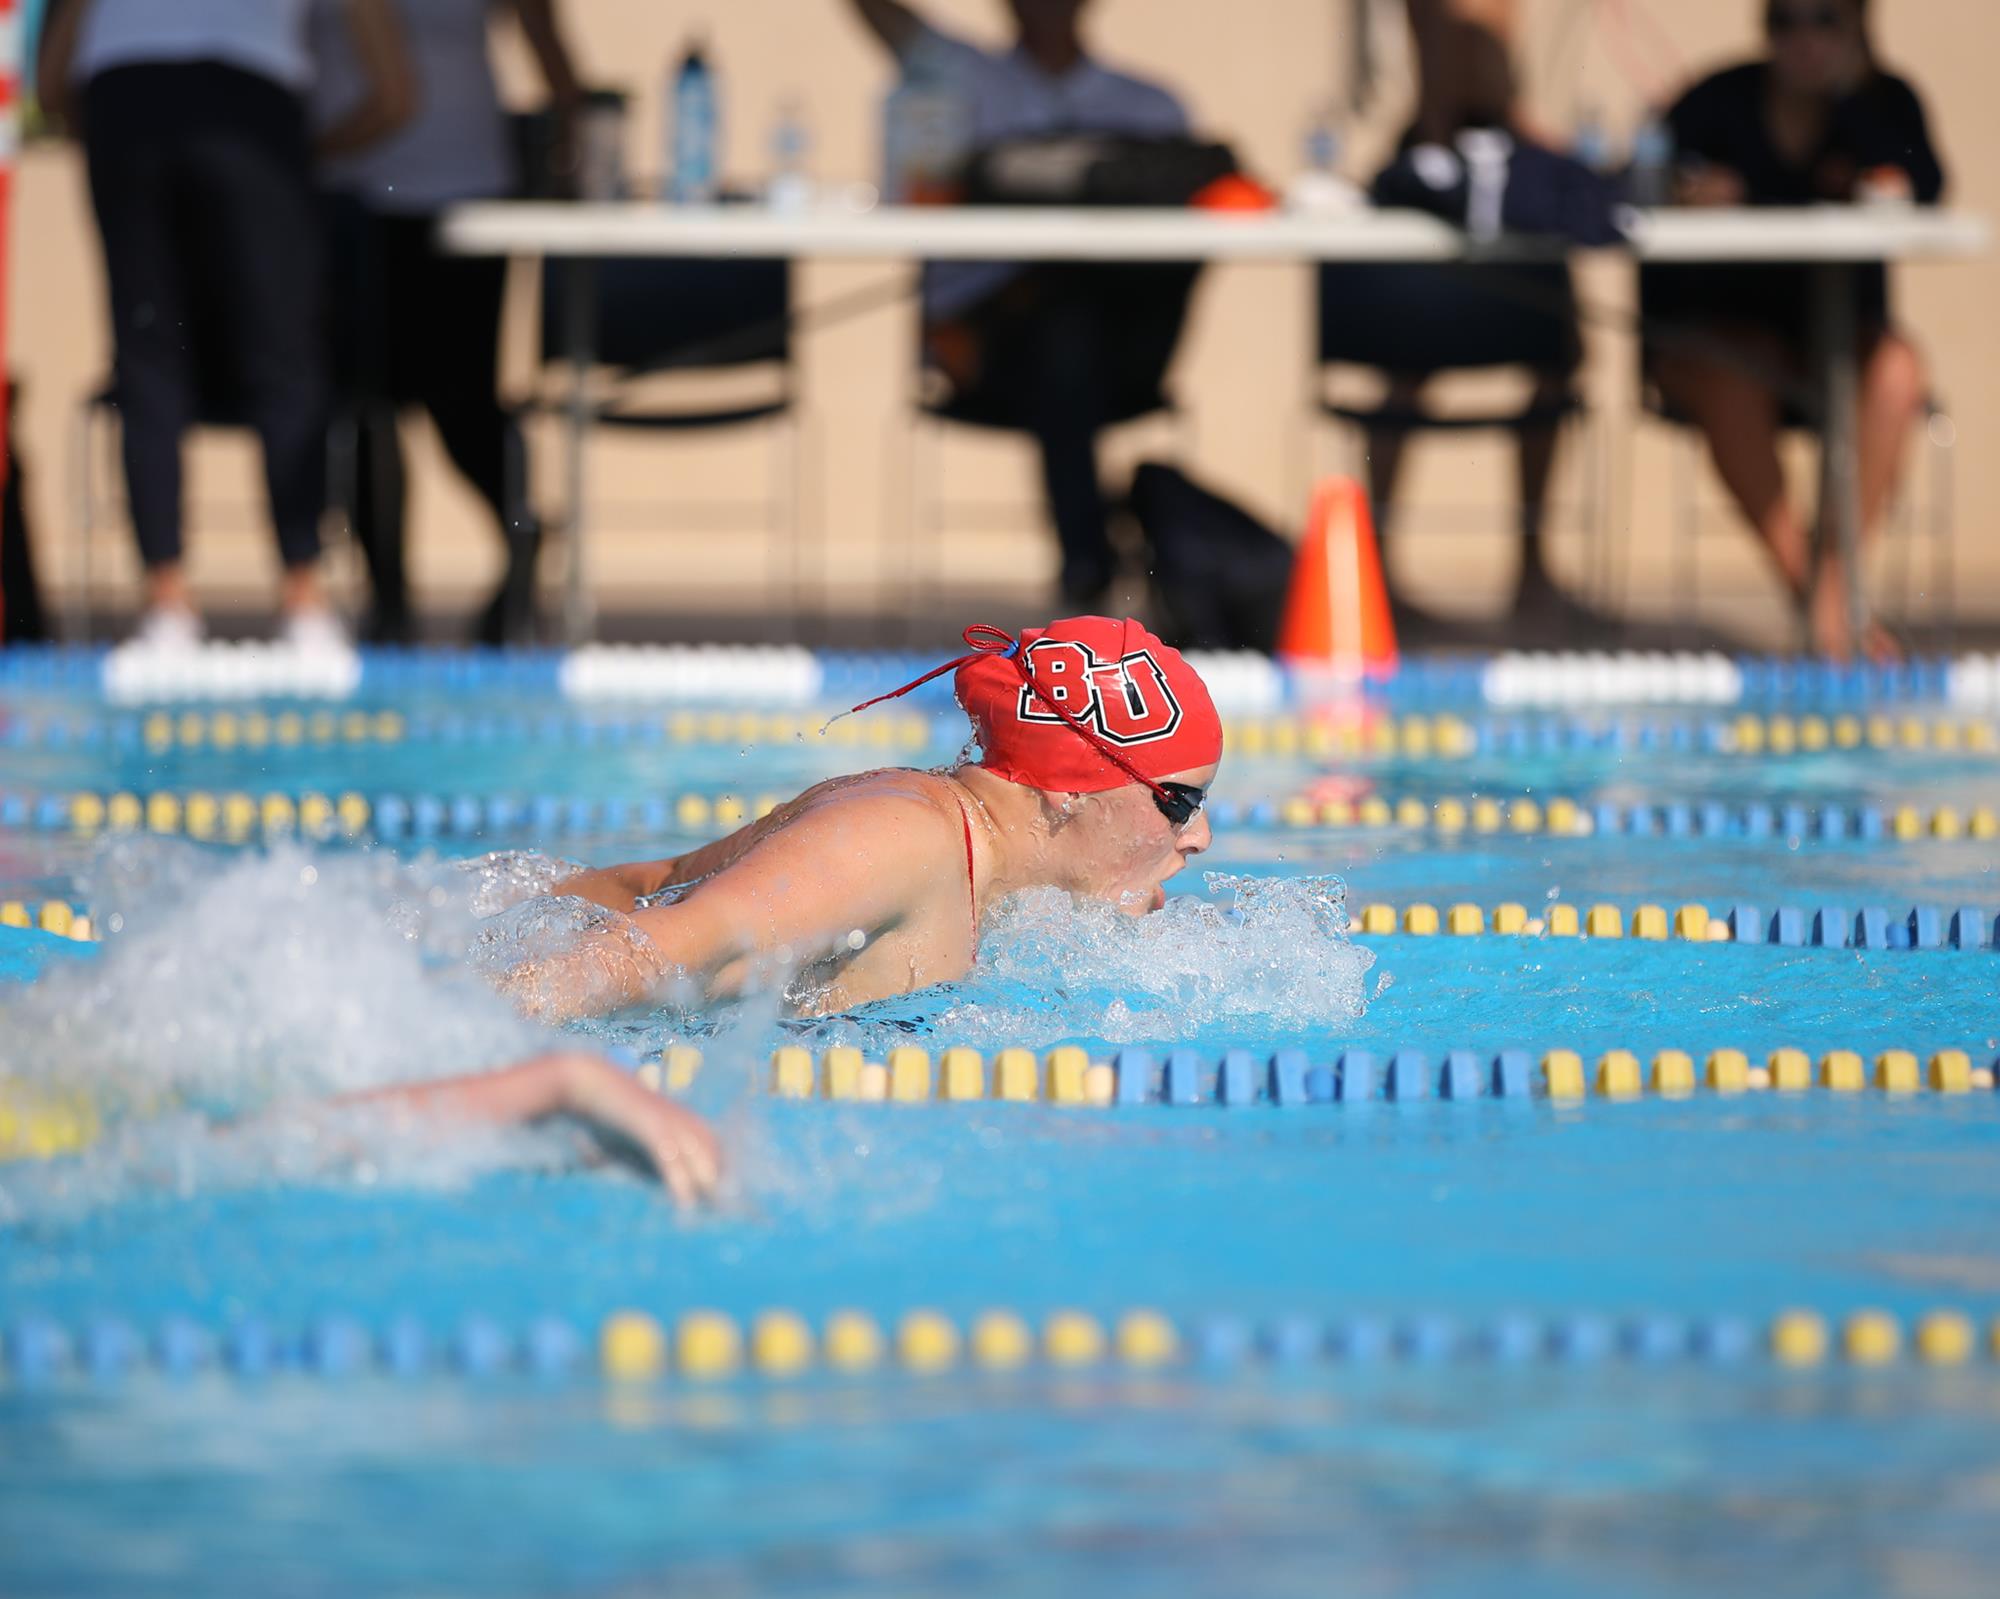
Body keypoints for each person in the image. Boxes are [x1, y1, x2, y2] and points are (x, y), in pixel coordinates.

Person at [490, 616, 1220, 1021]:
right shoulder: (900, 839)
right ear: (1072, 786)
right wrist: (435, 1041)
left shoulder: (982, 867)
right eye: (1179, 802)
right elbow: (652, 953)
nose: (1199, 836)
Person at [36, 0, 413, 651]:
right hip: (251, 103)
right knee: (285, 353)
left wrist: (98, 126)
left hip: (125, 99)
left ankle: (166, 601)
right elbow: (393, 89)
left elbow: (51, 82)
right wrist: (307, 153)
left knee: (149, 349)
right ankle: (303, 596)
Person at [843, 0, 1201, 607]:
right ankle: (1090, 566)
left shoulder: (1152, 106)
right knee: (1062, 334)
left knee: (1077, 324)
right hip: (987, 347)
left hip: (1126, 348)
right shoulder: (957, 76)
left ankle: (1105, 558)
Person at [1643, 0, 1940, 662]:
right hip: (1724, 337)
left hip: (1834, 341)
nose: (1802, 38)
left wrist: (1856, 99)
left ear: (1860, 28)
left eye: (1824, 19)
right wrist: (1688, 190)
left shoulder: (1883, 105)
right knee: (1735, 365)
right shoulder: (1717, 99)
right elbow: (1641, 179)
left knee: (1897, 371)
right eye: (1785, 19)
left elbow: (1926, 184)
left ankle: (1832, 587)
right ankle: (1824, 597)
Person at [309, 0, 582, 645]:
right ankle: (388, 597)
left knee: (462, 404)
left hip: (466, 193)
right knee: (365, 407)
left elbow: (546, 37)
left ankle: (520, 539)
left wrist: (570, 139)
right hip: (350, 194)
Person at [1321, 0, 1584, 633]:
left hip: (1476, 152)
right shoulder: (1450, 26)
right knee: (1407, 368)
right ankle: (1379, 573)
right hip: (1452, 159)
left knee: (1554, 364)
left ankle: (1528, 569)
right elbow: (1454, 92)